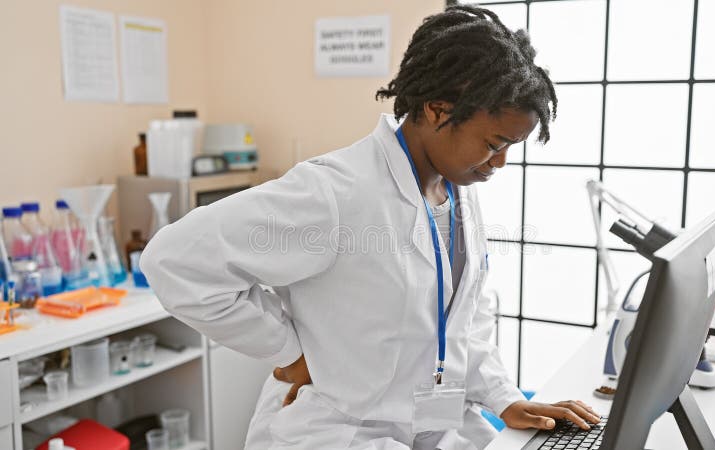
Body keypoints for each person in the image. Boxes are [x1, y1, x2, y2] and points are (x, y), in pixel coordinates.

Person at [141, 5, 600, 449]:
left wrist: (507, 399)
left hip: (430, 427)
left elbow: (461, 321)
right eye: (494, 143)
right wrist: (288, 354)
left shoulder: (457, 189)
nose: (501, 163)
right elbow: (174, 259)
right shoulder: (335, 192)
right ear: (439, 111)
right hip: (337, 433)